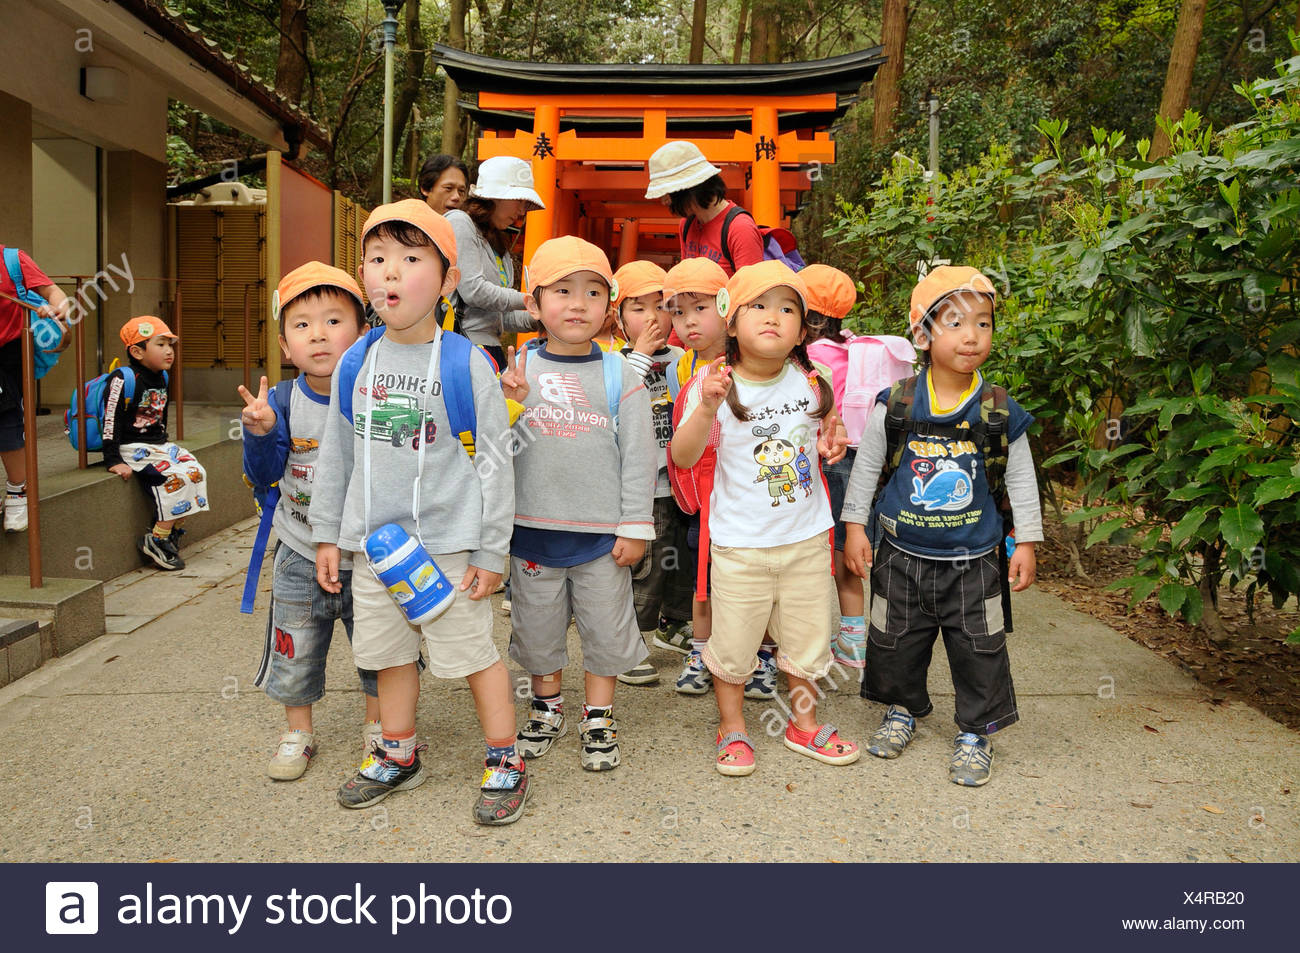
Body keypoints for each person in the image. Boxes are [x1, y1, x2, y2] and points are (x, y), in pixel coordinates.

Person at [310, 199, 527, 825]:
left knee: (472, 655)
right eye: (377, 260)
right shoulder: (357, 360)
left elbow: (495, 464)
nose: (390, 275)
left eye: (410, 259)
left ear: (449, 281)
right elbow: (338, 454)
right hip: (375, 547)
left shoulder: (467, 363)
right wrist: (330, 534)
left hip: (451, 546)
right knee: (387, 654)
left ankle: (506, 758)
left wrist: (491, 552)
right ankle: (398, 752)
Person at [840, 265, 1043, 787]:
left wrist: (1027, 541)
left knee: (981, 645)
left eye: (983, 323)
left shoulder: (998, 409)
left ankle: (976, 731)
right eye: (955, 322)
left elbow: (1021, 479)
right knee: (895, 640)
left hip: (975, 559)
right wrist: (855, 528)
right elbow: (866, 469)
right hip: (901, 553)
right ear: (924, 334)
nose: (972, 335)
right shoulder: (899, 403)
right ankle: (902, 709)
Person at [671, 260, 857, 777]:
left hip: (805, 539)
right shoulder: (715, 385)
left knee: (807, 639)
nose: (774, 317)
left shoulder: (810, 383)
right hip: (739, 545)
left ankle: (804, 723)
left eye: (788, 308)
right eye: (759, 305)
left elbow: (825, 439)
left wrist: (831, 442)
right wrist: (706, 410)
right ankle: (733, 729)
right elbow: (682, 457)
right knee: (732, 645)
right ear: (730, 320)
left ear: (803, 327)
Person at [498, 236, 656, 772]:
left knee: (606, 629)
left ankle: (599, 713)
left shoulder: (620, 375)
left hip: (600, 537)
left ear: (608, 308)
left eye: (592, 292)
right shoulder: (517, 370)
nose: (577, 304)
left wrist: (635, 526)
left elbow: (639, 456)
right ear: (532, 303)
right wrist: (509, 406)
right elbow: (493, 455)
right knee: (537, 631)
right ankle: (546, 706)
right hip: (532, 533)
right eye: (562, 291)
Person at [239, 262, 380, 781]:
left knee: (377, 646)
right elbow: (261, 475)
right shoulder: (279, 401)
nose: (318, 334)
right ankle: (298, 731)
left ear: (363, 334)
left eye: (333, 320)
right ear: (284, 346)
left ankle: (381, 726)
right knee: (294, 644)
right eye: (302, 325)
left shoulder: (376, 396)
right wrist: (261, 433)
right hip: (299, 548)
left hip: (367, 554)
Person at [662, 257, 777, 703]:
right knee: (702, 577)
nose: (688, 322)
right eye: (677, 311)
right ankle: (700, 652)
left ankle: (763, 656)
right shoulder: (679, 367)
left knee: (762, 582)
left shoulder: (752, 360)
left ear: (727, 307)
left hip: (751, 494)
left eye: (700, 308)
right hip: (701, 495)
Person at [607, 260, 691, 687]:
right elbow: (619, 401)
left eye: (663, 306)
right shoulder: (615, 362)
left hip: (683, 483)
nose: (653, 318)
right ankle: (628, 645)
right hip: (644, 485)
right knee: (647, 567)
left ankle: (674, 624)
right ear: (618, 319)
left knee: (684, 560)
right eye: (638, 308)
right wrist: (639, 354)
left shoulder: (682, 359)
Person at [103, 317, 208, 571]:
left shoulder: (162, 376)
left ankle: (171, 531)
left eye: (171, 344)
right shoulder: (122, 378)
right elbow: (110, 419)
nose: (169, 350)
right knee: (174, 480)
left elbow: (160, 413)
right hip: (132, 448)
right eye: (160, 344)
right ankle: (156, 539)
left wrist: (167, 444)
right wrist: (113, 460)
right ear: (137, 351)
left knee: (196, 473)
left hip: (158, 445)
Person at [802, 264, 869, 667]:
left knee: (810, 551)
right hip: (855, 457)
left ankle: (802, 640)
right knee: (848, 553)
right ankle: (853, 640)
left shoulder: (808, 356)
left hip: (819, 457)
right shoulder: (854, 350)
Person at [445, 156, 544, 368]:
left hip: (489, 349)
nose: (522, 211)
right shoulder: (460, 223)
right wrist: (530, 300)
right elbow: (474, 291)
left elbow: (502, 318)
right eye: (519, 201)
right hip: (461, 345)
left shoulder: (498, 244)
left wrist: (544, 315)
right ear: (495, 196)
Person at [0, 245, 71, 532]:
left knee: (5, 415)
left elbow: (56, 294)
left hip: (7, 349)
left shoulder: (11, 259)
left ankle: (18, 490)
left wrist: (55, 309)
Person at [645, 140, 764, 277]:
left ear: (690, 188)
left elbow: (750, 292)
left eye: (667, 193)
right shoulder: (687, 224)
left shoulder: (740, 229)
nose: (664, 201)